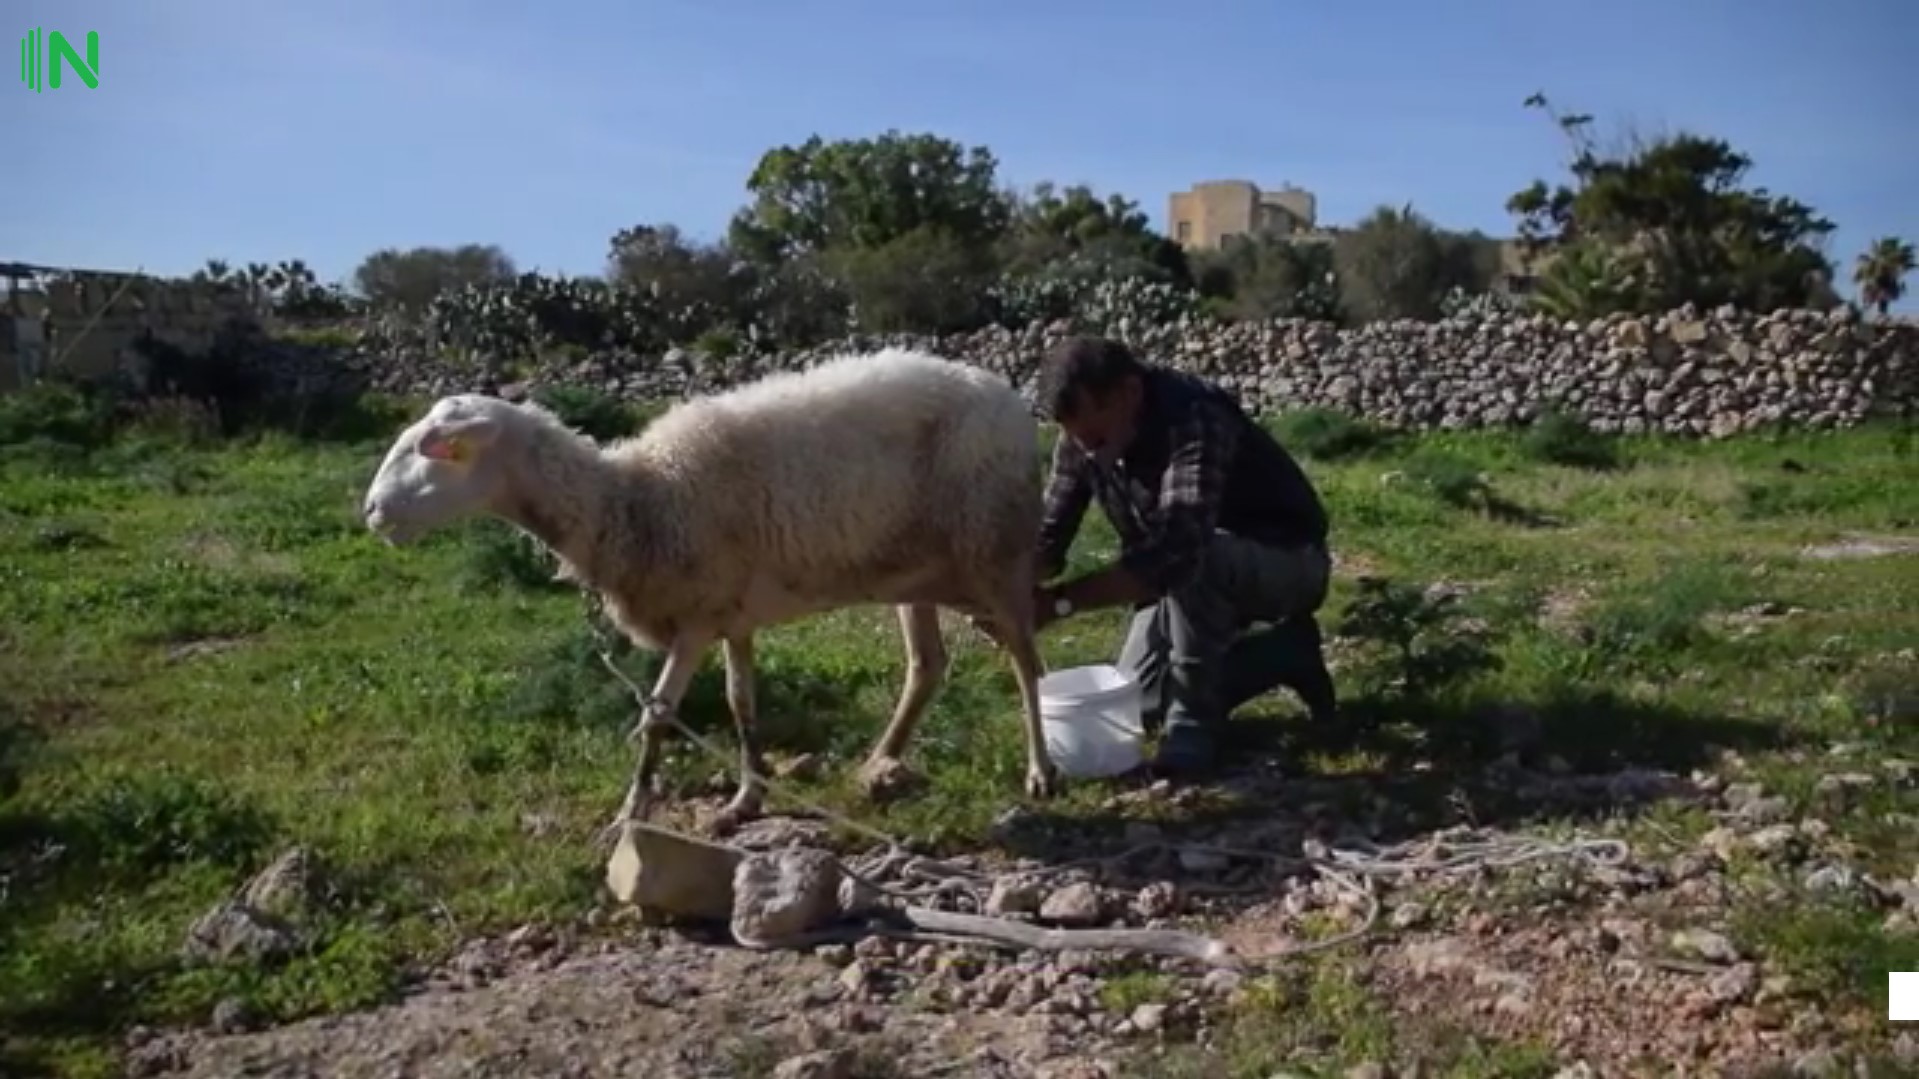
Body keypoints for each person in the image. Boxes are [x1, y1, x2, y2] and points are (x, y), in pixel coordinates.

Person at [1028, 335, 1338, 776]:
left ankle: (1192, 728)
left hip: (1286, 561)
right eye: (1077, 439)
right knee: (1139, 704)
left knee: (1198, 554)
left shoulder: (1194, 418)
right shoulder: (1081, 440)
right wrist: (1005, 590)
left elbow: (1179, 549)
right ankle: (1284, 654)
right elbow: (1048, 539)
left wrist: (1061, 603)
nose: (1088, 452)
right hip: (1175, 584)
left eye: (1096, 437)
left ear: (1129, 393)